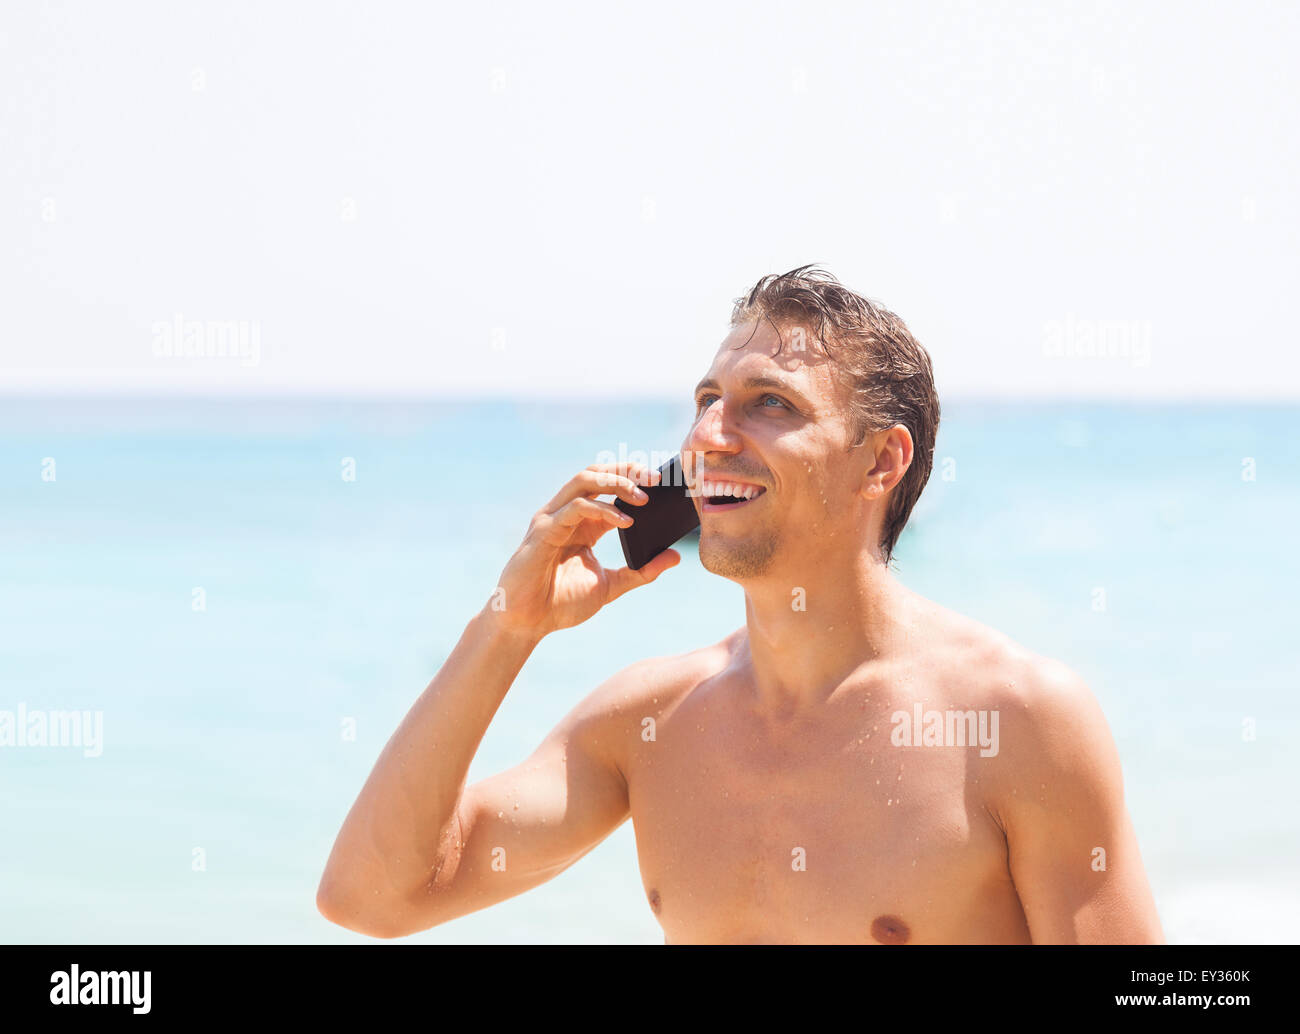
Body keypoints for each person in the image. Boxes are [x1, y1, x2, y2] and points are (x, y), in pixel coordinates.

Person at [316, 264, 1164, 944]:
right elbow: (374, 898)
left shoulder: (1017, 721)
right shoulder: (649, 725)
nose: (710, 436)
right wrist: (508, 627)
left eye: (769, 403)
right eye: (706, 401)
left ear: (880, 464)